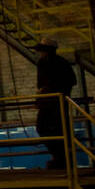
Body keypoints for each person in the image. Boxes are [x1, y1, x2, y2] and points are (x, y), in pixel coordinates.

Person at [35, 36, 76, 170]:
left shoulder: (57, 63)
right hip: (50, 103)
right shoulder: (44, 63)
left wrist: (49, 90)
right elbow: (41, 85)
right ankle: (59, 157)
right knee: (46, 128)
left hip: (55, 103)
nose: (42, 52)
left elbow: (69, 81)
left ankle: (61, 158)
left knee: (55, 129)